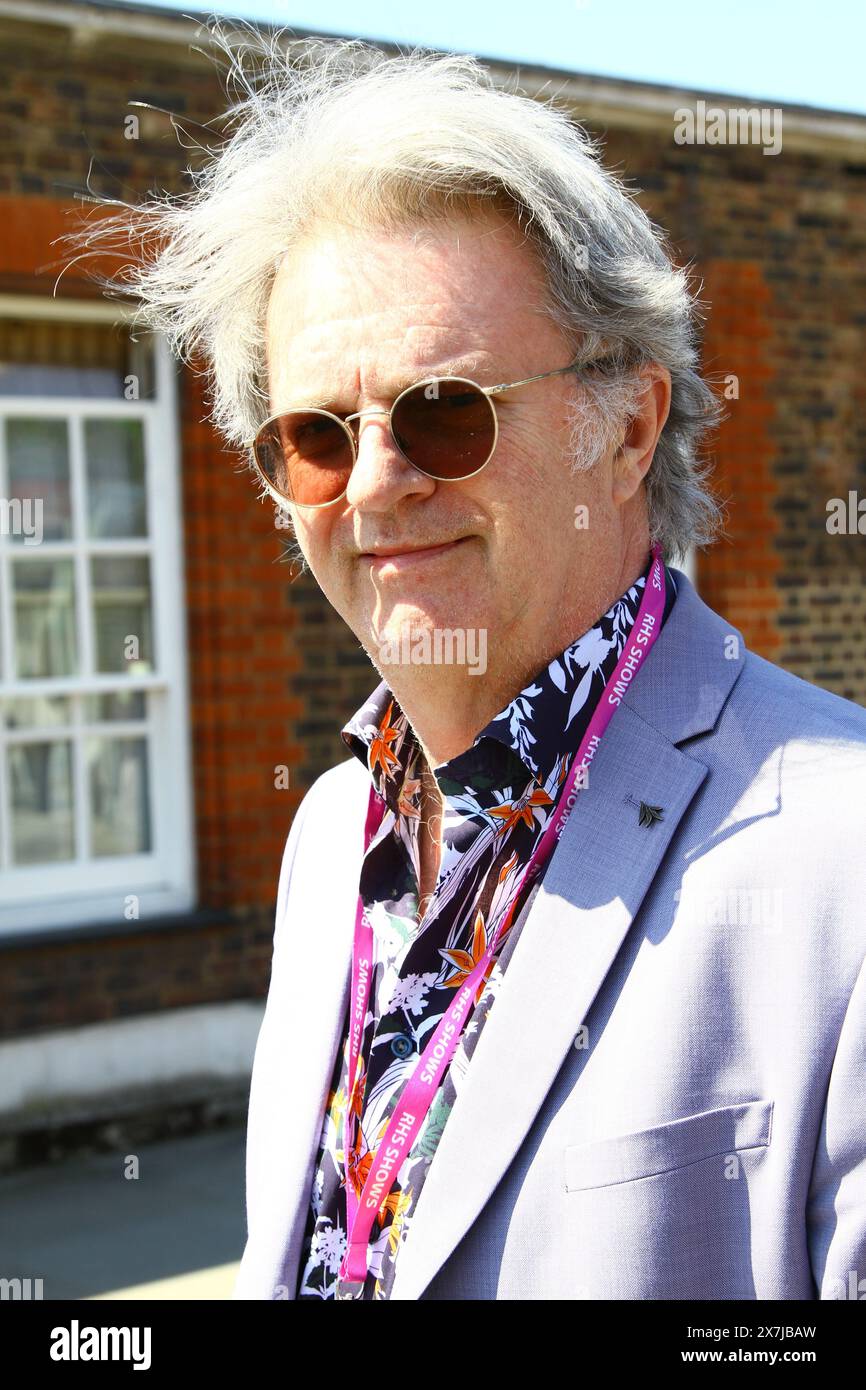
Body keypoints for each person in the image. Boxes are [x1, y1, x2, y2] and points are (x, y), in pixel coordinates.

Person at [66, 27, 866, 1301]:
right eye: (317, 437)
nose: (377, 483)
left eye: (445, 411)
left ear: (627, 424)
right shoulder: (332, 833)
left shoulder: (839, 855)